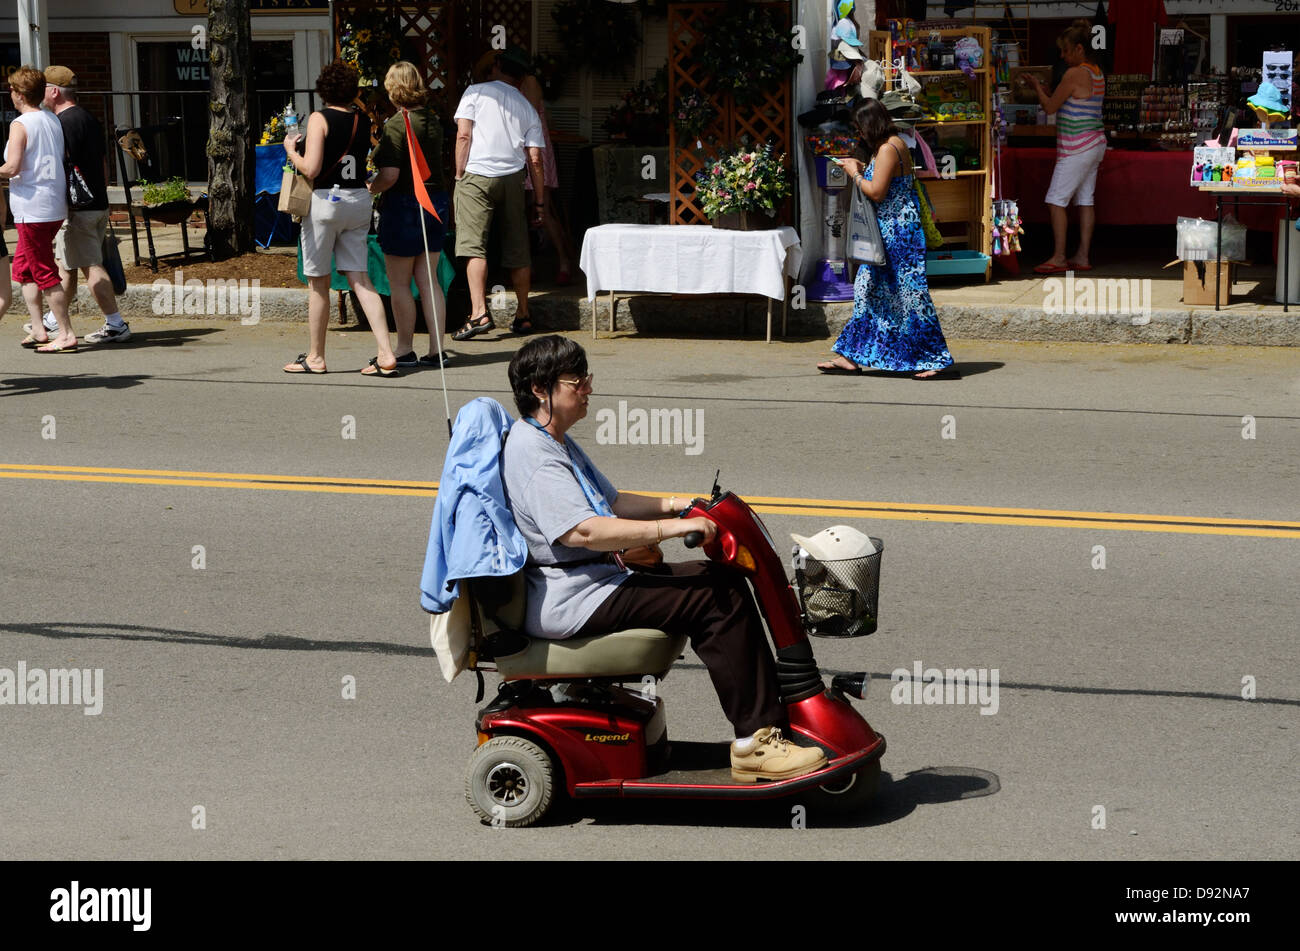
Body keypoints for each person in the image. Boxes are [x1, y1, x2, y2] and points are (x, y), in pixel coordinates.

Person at [502, 335, 828, 782]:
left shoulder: (555, 440)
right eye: (577, 380)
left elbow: (612, 502)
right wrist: (671, 530)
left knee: (722, 580)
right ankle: (756, 743)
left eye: (586, 378)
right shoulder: (534, 454)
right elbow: (584, 530)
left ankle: (767, 729)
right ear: (541, 389)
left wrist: (680, 505)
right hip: (574, 597)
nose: (588, 389)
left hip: (594, 581)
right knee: (716, 598)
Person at [817, 98, 956, 379]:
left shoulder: (887, 150)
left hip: (897, 233)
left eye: (859, 127)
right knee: (869, 290)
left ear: (869, 125)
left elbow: (877, 191)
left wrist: (855, 174)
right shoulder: (893, 143)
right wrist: (860, 166)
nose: (858, 133)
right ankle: (850, 354)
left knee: (910, 295)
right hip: (892, 231)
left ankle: (934, 358)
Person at [282, 60, 400, 377]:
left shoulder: (320, 118)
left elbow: (311, 169)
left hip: (326, 202)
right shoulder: (361, 119)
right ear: (353, 90)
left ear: (324, 89)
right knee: (360, 278)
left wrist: (291, 150)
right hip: (358, 199)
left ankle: (316, 357)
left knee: (319, 283)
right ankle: (386, 353)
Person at [450, 46, 546, 341]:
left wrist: (458, 173)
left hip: (477, 174)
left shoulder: (475, 93)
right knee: (518, 248)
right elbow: (535, 159)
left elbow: (464, 135)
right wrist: (540, 202)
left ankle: (479, 312)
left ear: (497, 66)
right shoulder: (527, 107)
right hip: (513, 178)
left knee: (473, 246)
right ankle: (523, 313)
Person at [35, 66, 129, 345]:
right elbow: (101, 162)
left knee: (90, 265)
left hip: (79, 208)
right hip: (96, 202)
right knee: (67, 264)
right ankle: (54, 319)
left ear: (53, 91)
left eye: (43, 88)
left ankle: (116, 323)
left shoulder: (64, 123)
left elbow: (63, 166)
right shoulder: (88, 117)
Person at [369, 61, 450, 369]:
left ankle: (404, 348)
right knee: (430, 280)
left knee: (400, 283)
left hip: (404, 204)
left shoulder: (395, 125)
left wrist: (371, 189)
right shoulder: (432, 120)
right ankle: (437, 349)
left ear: (394, 88)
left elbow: (389, 175)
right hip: (435, 201)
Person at [2, 66, 73, 353]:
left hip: (33, 208)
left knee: (44, 271)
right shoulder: (51, 119)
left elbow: (12, 167)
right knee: (23, 269)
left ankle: (66, 333)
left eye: (11, 89)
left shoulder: (20, 124)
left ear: (18, 95)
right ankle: (39, 328)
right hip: (52, 204)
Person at [1028, 20, 1106, 274]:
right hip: (1095, 143)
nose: (1062, 56)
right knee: (1085, 200)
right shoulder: (1097, 72)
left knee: (1056, 200)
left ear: (1079, 49)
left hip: (1076, 147)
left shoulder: (1074, 73)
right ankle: (1082, 255)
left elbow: (1050, 107)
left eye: (1066, 50)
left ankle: (1059, 256)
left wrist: (1037, 88)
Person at [519, 71, 577, 286]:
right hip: (518, 148)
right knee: (522, 212)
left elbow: (531, 113)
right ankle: (528, 266)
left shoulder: (530, 81)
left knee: (544, 208)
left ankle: (564, 262)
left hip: (534, 147)